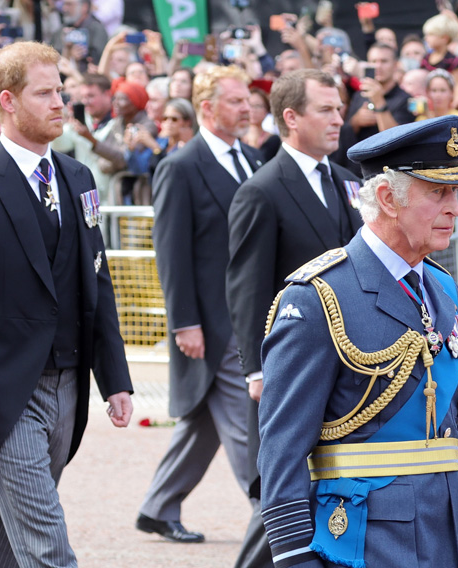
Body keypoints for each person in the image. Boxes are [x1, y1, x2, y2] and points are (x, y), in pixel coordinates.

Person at [256, 115, 458, 568]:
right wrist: (295, 557)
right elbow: (281, 451)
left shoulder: (440, 288)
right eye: (437, 192)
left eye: (455, 192)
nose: (455, 209)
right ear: (386, 198)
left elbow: (440, 422)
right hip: (363, 541)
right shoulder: (319, 296)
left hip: (447, 533)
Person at [0, 41, 134, 567]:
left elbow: (97, 280)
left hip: (70, 387)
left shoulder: (79, 177)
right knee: (47, 547)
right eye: (45, 93)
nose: (59, 102)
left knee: (0, 544)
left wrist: (115, 377)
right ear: (8, 100)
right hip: (5, 395)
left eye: (60, 90)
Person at [226, 68, 366, 568]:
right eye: (325, 109)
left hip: (352, 368)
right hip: (294, 366)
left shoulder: (350, 183)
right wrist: (256, 369)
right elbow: (248, 289)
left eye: (340, 108)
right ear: (290, 117)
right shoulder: (262, 190)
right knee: (282, 495)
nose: (338, 118)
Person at [139, 65, 262, 545]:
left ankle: (158, 506)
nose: (246, 108)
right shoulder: (181, 166)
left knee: (202, 423)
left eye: (247, 99)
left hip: (247, 317)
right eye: (235, 101)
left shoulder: (252, 159)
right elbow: (171, 252)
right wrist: (184, 321)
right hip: (213, 322)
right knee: (245, 422)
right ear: (207, 108)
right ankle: (274, 514)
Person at [337, 43, 415, 176]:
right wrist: (355, 122)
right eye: (373, 61)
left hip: (389, 174)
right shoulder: (359, 95)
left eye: (384, 61)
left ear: (395, 65)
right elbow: (344, 135)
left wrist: (379, 102)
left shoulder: (406, 100)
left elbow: (397, 141)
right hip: (357, 172)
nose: (378, 66)